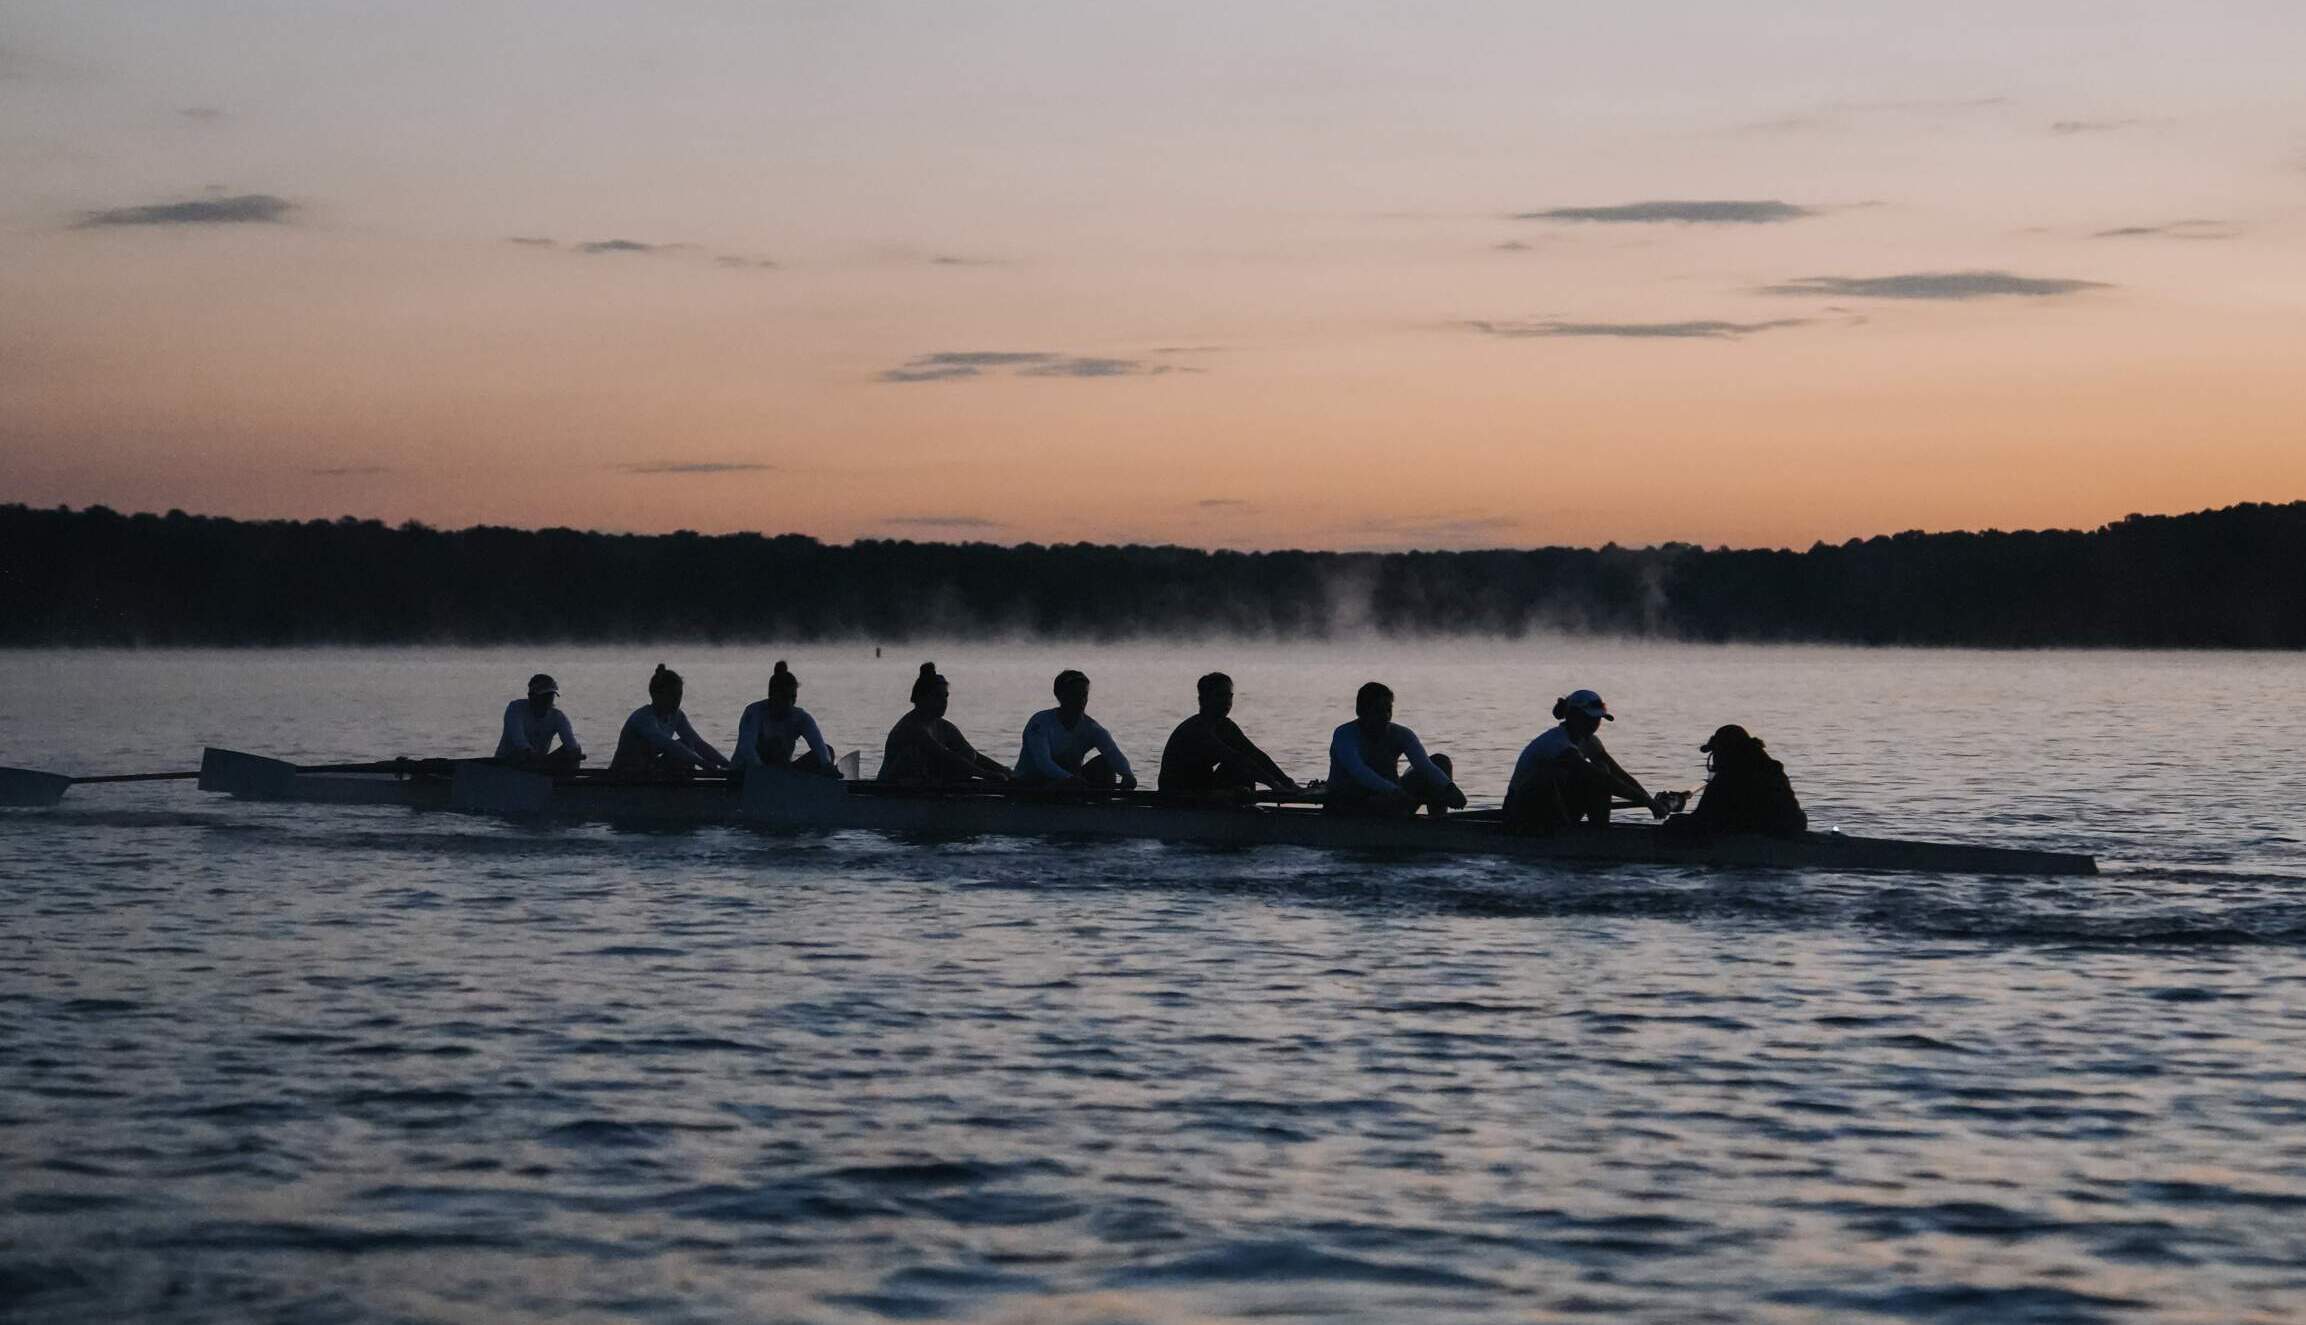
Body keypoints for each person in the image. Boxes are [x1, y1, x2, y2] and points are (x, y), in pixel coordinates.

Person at [1503, 689, 1668, 832]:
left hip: (1555, 807)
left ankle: (1598, 832)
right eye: (1589, 719)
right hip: (1520, 810)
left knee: (1603, 767)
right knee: (1594, 778)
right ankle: (1578, 836)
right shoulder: (1556, 743)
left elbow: (1618, 774)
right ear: (1573, 716)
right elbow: (1601, 779)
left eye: (1597, 720)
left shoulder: (1590, 742)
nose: (1594, 724)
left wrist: (1650, 801)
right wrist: (1647, 802)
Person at [1326, 681, 1465, 816]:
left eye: (1388, 710)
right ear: (1360, 711)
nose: (1385, 716)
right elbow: (1359, 771)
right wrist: (1393, 791)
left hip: (1393, 801)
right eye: (1378, 711)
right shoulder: (1344, 735)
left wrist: (1449, 788)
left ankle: (1439, 824)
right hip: (1350, 804)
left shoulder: (1401, 734)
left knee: (1440, 761)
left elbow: (1424, 766)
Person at [1158, 671, 1300, 796]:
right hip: (1178, 795)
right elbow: (1234, 758)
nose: (1227, 701)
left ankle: (1243, 813)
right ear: (1203, 700)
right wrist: (1274, 785)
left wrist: (1287, 782)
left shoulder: (1227, 727)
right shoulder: (1196, 729)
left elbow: (1256, 755)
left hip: (1203, 789)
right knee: (1240, 766)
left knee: (1245, 767)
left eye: (1229, 696)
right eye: (1220, 696)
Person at [878, 662, 1012, 785]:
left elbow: (974, 756)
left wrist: (1005, 771)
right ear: (921, 699)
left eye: (945, 696)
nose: (944, 702)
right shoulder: (912, 728)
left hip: (923, 787)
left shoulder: (944, 727)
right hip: (892, 789)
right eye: (937, 696)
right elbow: (945, 756)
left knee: (968, 754)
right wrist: (985, 775)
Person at [1666, 724, 1807, 836]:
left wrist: (1675, 823)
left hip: (1766, 831)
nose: (1715, 758)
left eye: (1716, 752)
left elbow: (1702, 818)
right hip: (1793, 825)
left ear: (1724, 751)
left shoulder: (1727, 778)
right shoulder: (1772, 769)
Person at [1014, 670, 1137, 790]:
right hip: (1030, 784)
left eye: (1084, 695)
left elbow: (1112, 753)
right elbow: (1043, 763)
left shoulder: (1092, 728)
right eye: (1075, 695)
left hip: (1070, 784)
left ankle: (1103, 808)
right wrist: (1069, 779)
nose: (1081, 701)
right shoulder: (1040, 723)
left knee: (1106, 763)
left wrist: (1127, 775)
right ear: (1060, 696)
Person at [609, 664, 730, 775]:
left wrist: (728, 765)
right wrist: (703, 763)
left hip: (647, 772)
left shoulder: (677, 716)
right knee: (682, 751)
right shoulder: (643, 718)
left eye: (679, 695)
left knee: (687, 743)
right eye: (672, 695)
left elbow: (698, 744)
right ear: (655, 695)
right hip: (623, 774)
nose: (677, 700)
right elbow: (669, 744)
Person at [734, 660, 839, 777]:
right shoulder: (754, 713)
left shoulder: (801, 717)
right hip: (746, 774)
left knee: (828, 751)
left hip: (781, 774)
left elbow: (819, 745)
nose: (789, 703)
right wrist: (762, 773)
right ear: (771, 695)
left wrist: (826, 765)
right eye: (784, 697)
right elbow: (747, 749)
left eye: (793, 697)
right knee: (775, 745)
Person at [495, 672, 584, 770]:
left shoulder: (558, 716)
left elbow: (571, 745)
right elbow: (520, 743)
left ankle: (569, 781)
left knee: (575, 750)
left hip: (538, 765)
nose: (548, 699)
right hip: (508, 763)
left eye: (551, 695)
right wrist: (533, 756)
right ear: (531, 696)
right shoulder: (515, 709)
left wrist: (573, 753)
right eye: (544, 695)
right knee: (522, 753)